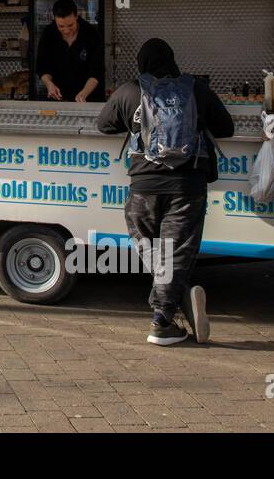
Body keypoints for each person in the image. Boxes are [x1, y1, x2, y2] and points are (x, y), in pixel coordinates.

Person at [96, 38, 234, 346]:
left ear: (141, 62)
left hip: (143, 188)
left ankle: (165, 316)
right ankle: (163, 318)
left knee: (158, 254)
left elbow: (103, 124)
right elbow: (226, 127)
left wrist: (135, 121)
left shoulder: (131, 90)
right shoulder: (196, 88)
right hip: (187, 187)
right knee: (175, 254)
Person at [35, 0, 105, 102]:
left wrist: (83, 94)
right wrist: (49, 84)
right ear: (55, 19)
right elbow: (43, 66)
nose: (66, 30)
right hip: (58, 98)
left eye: (70, 25)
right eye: (61, 26)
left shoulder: (91, 34)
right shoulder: (48, 34)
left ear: (77, 16)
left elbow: (97, 71)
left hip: (88, 98)